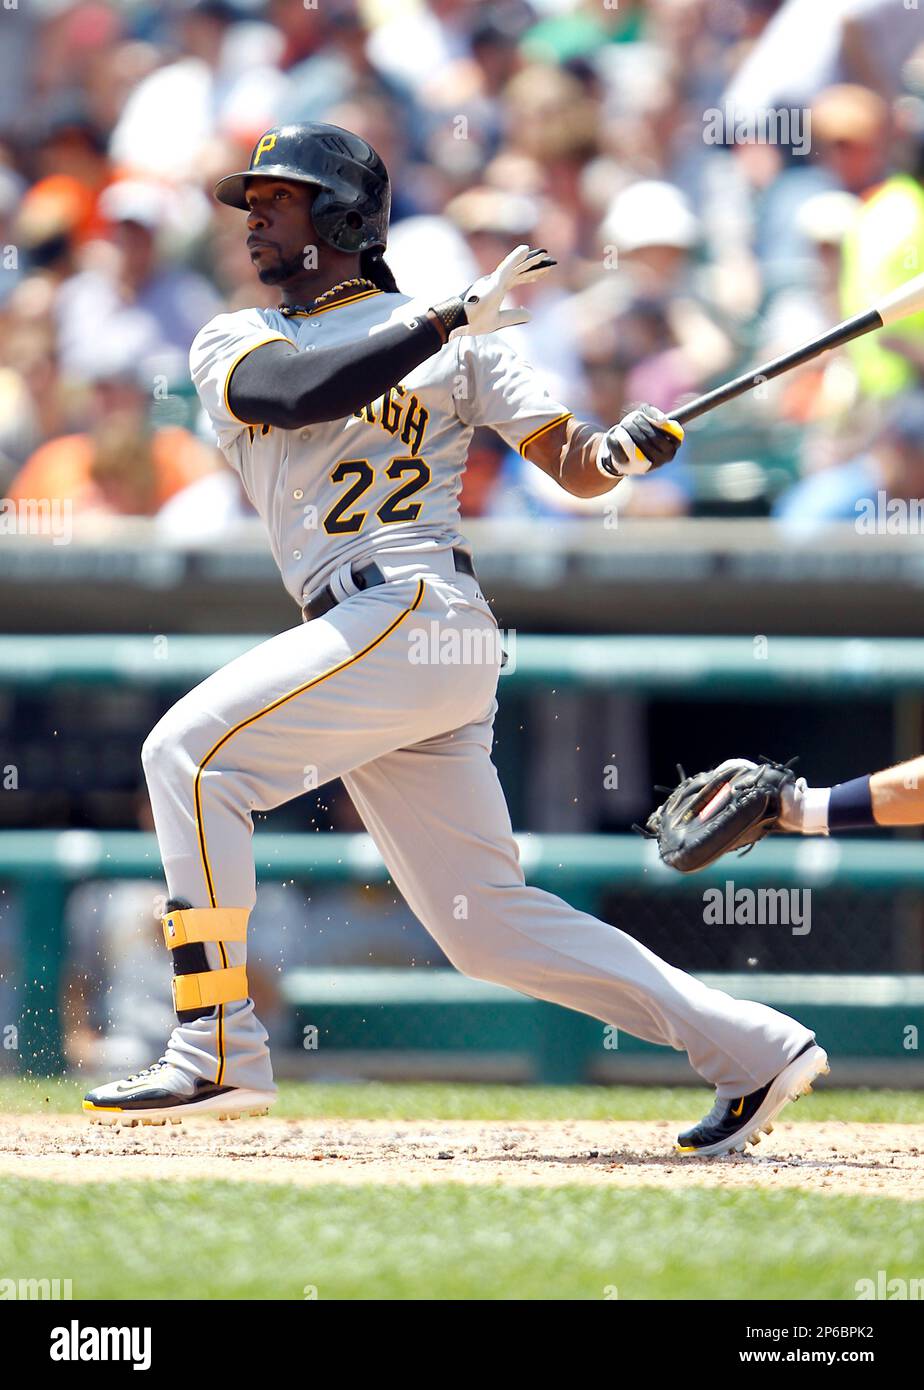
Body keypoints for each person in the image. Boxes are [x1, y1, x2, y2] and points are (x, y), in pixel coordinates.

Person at [83, 122, 828, 1157]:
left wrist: (627, 450)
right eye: (250, 200)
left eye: (280, 199)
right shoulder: (237, 339)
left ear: (342, 214)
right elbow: (300, 395)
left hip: (414, 611)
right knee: (483, 924)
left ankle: (216, 1043)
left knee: (186, 755)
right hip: (375, 631)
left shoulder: (469, 337)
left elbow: (572, 464)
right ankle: (751, 1046)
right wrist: (444, 319)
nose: (254, 216)